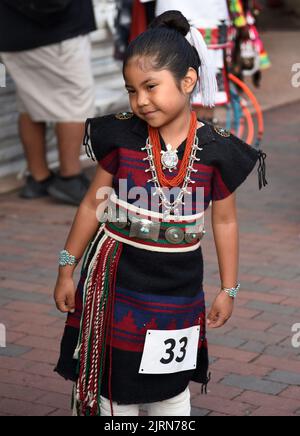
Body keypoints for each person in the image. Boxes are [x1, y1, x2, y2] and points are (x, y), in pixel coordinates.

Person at [54, 11, 267, 416]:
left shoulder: (219, 149)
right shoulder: (121, 136)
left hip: (179, 290)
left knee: (170, 385)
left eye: (151, 87)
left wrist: (229, 288)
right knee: (111, 383)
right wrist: (66, 268)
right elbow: (91, 205)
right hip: (116, 283)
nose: (140, 101)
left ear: (188, 81)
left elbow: (225, 220)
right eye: (132, 90)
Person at [0, 0, 97, 206]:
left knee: (29, 104)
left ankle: (39, 178)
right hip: (55, 28)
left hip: (13, 32)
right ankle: (70, 178)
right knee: (74, 102)